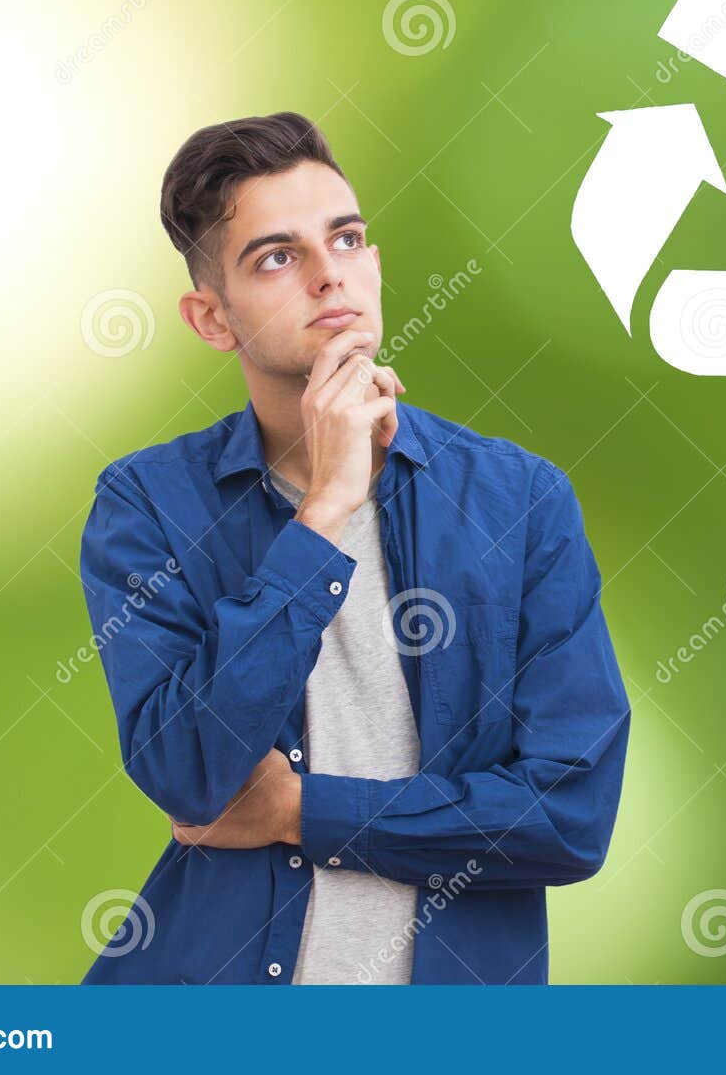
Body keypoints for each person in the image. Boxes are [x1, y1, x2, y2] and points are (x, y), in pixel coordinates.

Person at [76, 112, 631, 984]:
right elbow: (188, 770)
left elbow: (569, 815)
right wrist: (326, 510)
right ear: (212, 319)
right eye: (277, 256)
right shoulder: (148, 503)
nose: (331, 276)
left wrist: (303, 810)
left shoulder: (518, 500)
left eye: (347, 238)